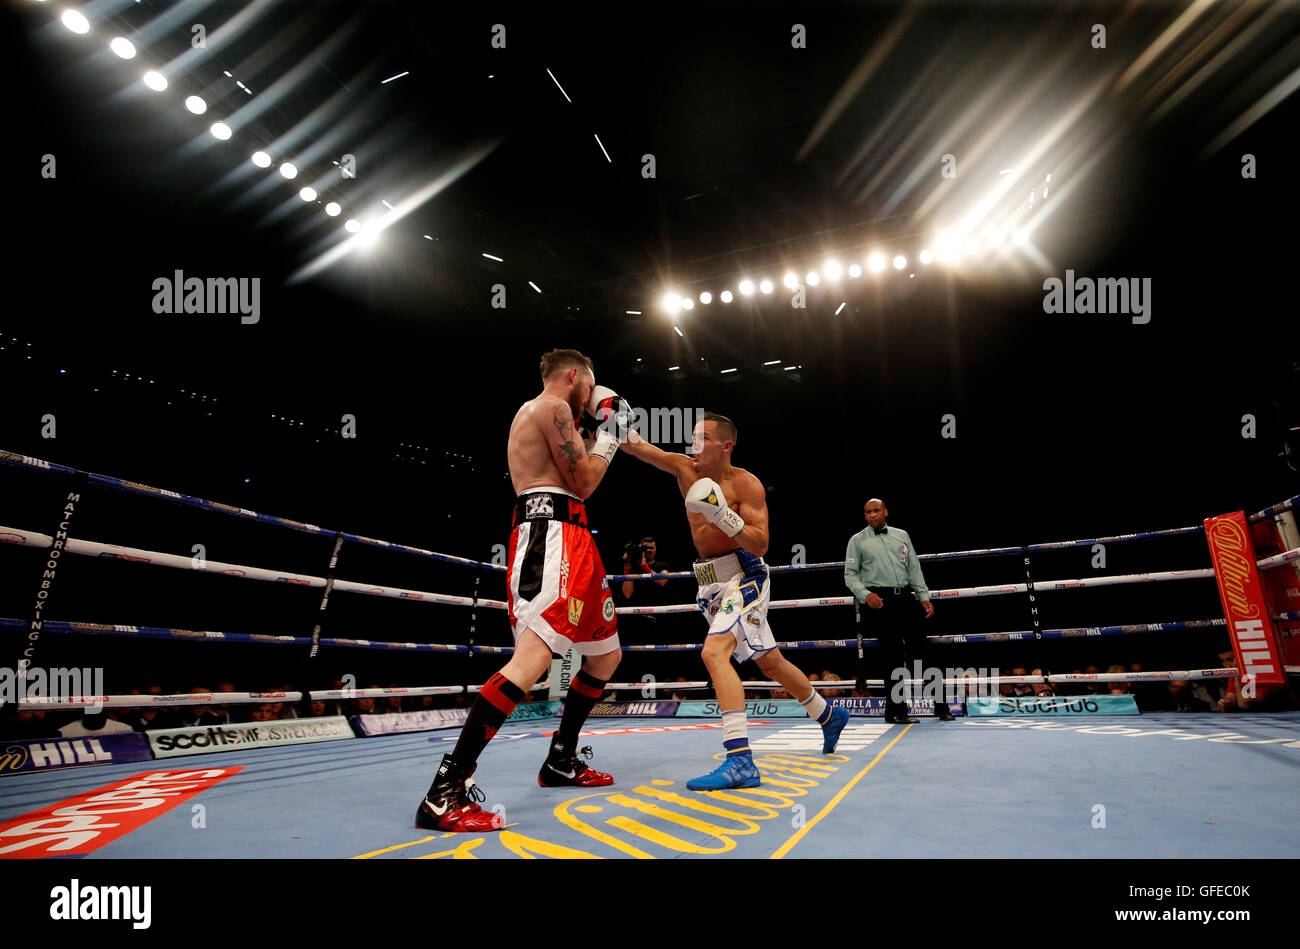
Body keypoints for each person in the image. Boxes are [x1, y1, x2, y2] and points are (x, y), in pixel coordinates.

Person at [416, 349, 625, 831]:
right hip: (550, 534)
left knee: (605, 657)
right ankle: (444, 791)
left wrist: (610, 431)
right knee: (531, 662)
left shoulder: (558, 418)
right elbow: (588, 480)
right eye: (590, 387)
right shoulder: (551, 407)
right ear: (573, 376)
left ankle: (560, 758)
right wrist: (610, 435)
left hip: (576, 539)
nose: (592, 397)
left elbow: (587, 468)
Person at [620, 412, 851, 791]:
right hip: (711, 583)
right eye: (693, 438)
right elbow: (639, 448)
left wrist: (724, 516)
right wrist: (607, 422)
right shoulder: (684, 470)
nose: (694, 446)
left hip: (746, 576)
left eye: (704, 438)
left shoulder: (747, 484)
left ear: (726, 445)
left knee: (714, 654)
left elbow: (760, 544)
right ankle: (827, 715)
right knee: (770, 662)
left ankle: (741, 760)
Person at [843, 498, 953, 723]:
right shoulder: (857, 541)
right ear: (864, 516)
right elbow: (850, 575)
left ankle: (941, 707)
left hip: (905, 597)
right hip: (880, 601)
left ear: (885, 512)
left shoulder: (901, 535)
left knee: (923, 652)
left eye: (876, 510)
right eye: (867, 512)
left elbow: (913, 567)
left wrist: (923, 596)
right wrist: (866, 595)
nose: (872, 515)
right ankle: (896, 712)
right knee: (892, 658)